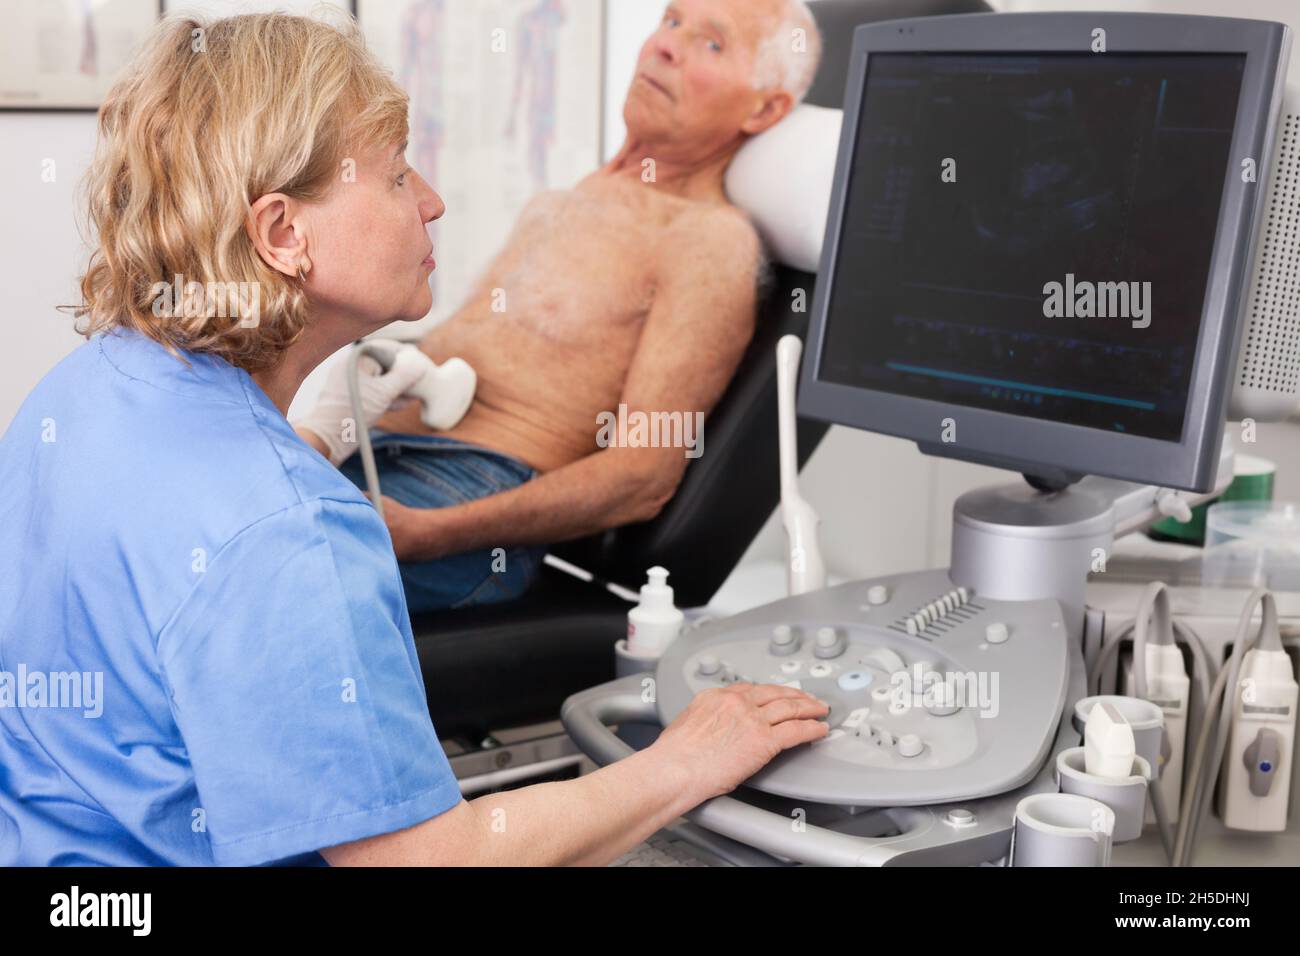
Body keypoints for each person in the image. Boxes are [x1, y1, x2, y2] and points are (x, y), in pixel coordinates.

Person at [0, 9, 828, 867]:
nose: (431, 202)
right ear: (282, 234)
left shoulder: (84, 390)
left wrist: (412, 522)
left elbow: (645, 473)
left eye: (712, 42)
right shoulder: (292, 535)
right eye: (397, 177)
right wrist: (683, 763)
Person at [294, 0, 824, 613]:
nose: (667, 45)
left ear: (765, 107)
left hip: (464, 497)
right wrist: (327, 428)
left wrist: (427, 535)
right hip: (372, 455)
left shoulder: (708, 241)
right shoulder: (568, 200)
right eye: (672, 21)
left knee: (251, 580)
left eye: (711, 43)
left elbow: (641, 475)